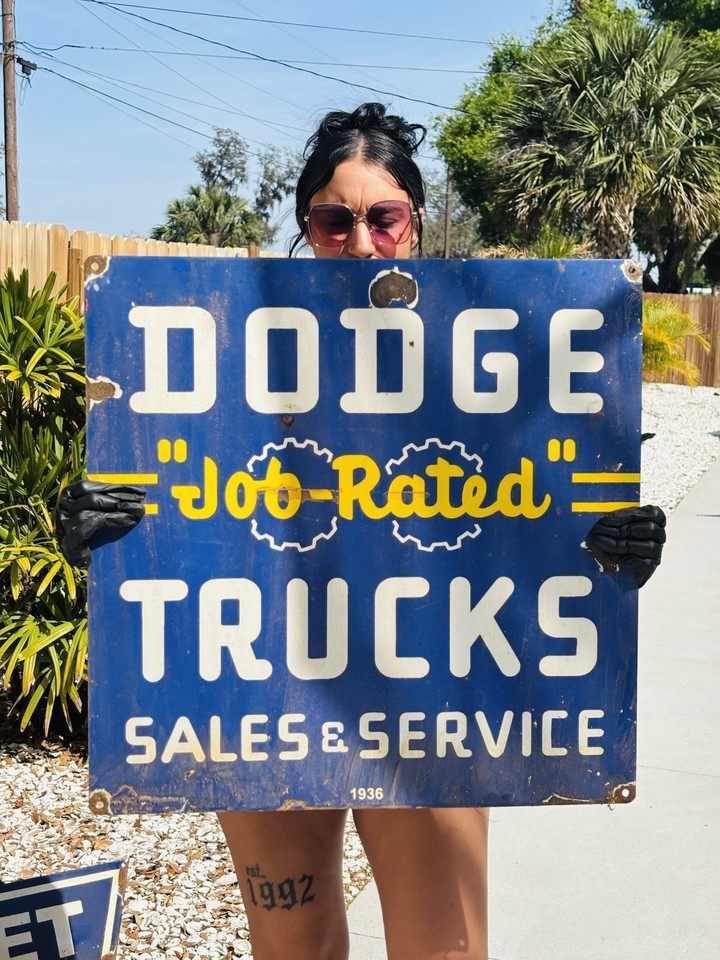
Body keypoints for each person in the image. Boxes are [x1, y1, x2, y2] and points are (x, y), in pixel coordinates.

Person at [57, 103, 667, 960]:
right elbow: (178, 491)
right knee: (292, 943)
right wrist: (102, 528)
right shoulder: (234, 354)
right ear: (307, 228)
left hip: (430, 686)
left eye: (383, 217)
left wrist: (609, 540)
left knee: (442, 951)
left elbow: (538, 500)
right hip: (270, 686)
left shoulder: (476, 358)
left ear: (414, 223)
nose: (361, 239)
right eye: (333, 220)